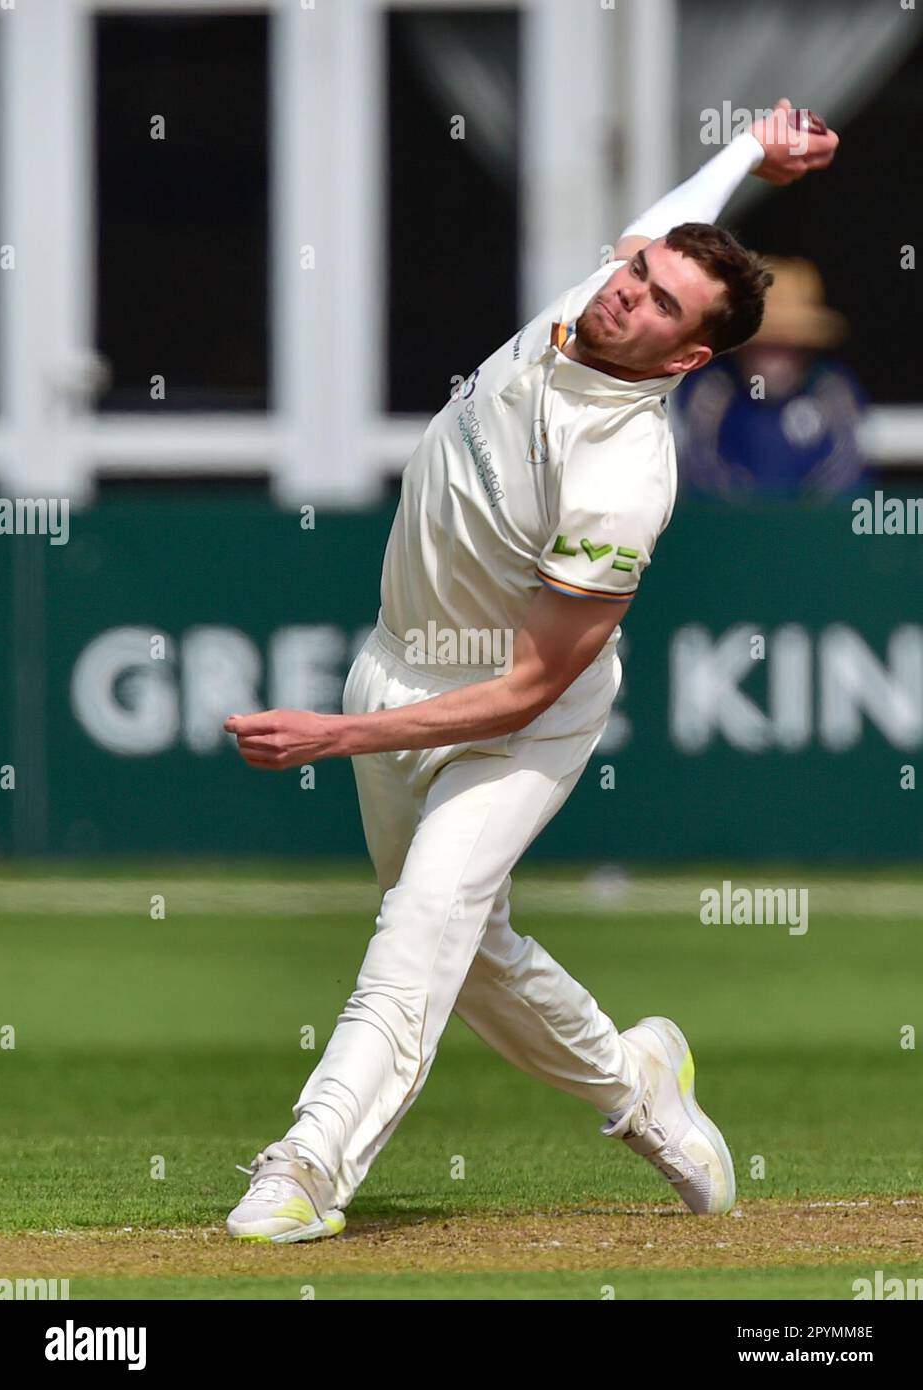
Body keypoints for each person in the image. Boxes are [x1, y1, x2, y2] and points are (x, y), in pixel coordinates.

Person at [223, 99, 838, 1242]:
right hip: (394, 669)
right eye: (635, 271)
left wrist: (327, 737)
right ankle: (636, 1086)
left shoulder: (622, 474)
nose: (627, 292)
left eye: (659, 301)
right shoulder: (588, 306)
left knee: (416, 931)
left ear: (688, 356)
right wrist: (752, 150)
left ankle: (305, 1168)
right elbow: (678, 226)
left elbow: (528, 688)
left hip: (516, 721)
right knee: (474, 951)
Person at [676, 256, 867, 496]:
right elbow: (702, 479)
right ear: (740, 346)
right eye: (764, 344)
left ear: (808, 350)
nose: (777, 360)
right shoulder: (709, 389)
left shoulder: (835, 391)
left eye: (791, 345)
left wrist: (796, 520)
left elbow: (845, 481)